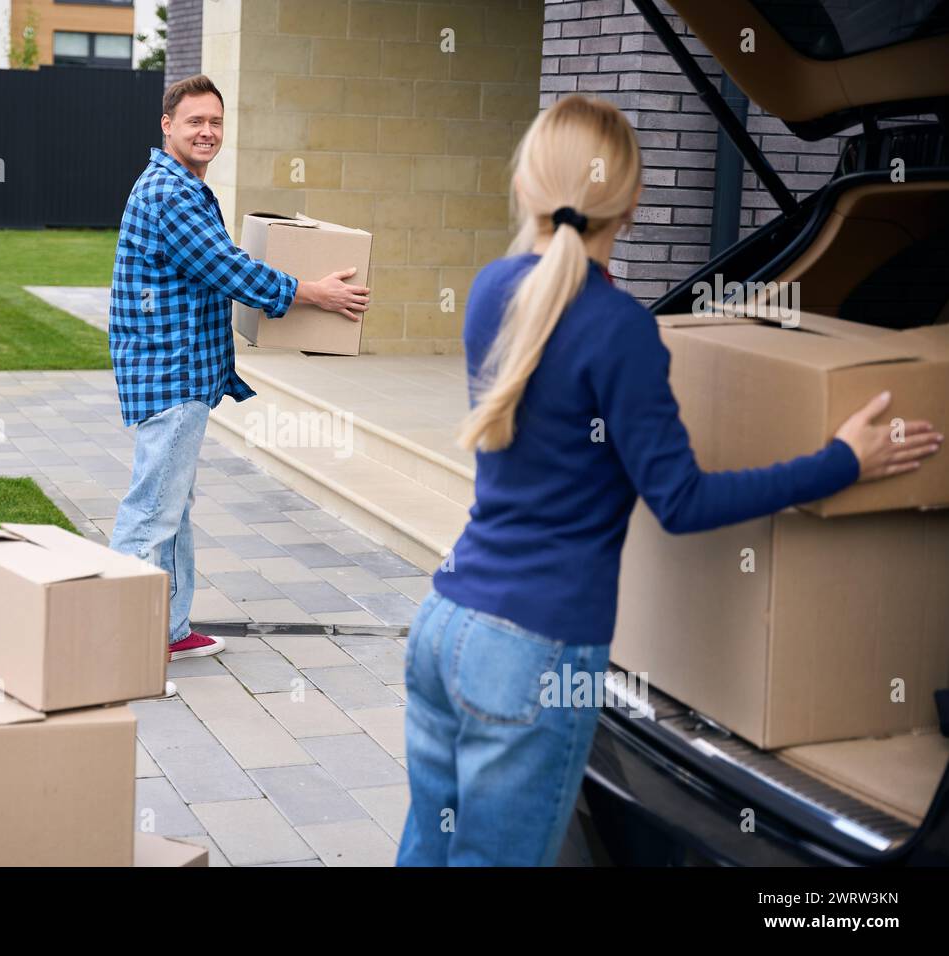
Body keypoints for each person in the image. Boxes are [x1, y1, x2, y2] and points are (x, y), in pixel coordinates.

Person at [395, 93, 943, 866]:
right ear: (636, 201)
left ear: (525, 185)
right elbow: (681, 503)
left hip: (445, 625)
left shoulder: (491, 290)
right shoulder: (620, 330)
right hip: (533, 656)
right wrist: (841, 463)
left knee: (429, 851)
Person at [107, 74, 370, 699]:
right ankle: (120, 651)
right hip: (168, 374)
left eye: (216, 122)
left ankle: (167, 629)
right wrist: (317, 294)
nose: (207, 132)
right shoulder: (171, 193)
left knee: (173, 508)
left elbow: (215, 268)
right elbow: (228, 269)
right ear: (166, 125)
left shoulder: (188, 188)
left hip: (182, 371)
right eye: (195, 121)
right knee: (151, 514)